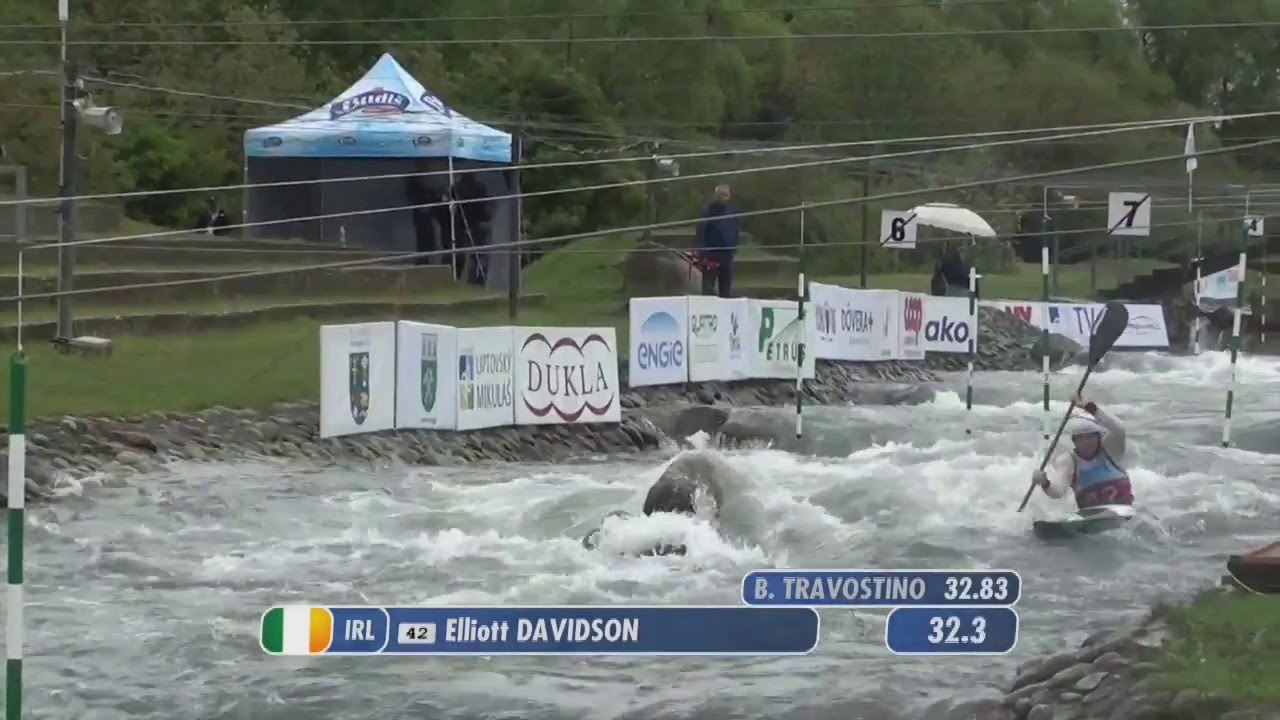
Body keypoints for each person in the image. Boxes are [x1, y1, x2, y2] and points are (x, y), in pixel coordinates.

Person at [1030, 392, 1134, 509]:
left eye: (1090, 437)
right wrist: (1045, 483)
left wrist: (1090, 407)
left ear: (1098, 438)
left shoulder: (1110, 450)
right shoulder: (1069, 461)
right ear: (1074, 441)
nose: (1086, 443)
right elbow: (1058, 491)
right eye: (1081, 439)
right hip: (1091, 517)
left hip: (1125, 510)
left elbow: (1119, 429)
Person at [695, 184, 740, 298]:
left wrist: (734, 250)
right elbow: (701, 232)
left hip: (727, 256)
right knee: (708, 289)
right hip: (711, 256)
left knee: (726, 290)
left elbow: (735, 232)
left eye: (727, 195)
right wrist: (702, 253)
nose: (725, 197)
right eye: (722, 195)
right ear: (717, 195)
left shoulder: (732, 212)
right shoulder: (708, 210)